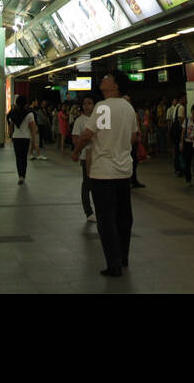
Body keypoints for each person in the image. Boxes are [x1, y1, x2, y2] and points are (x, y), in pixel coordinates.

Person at [71, 73, 138, 276]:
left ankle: (113, 263)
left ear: (115, 86)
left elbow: (88, 134)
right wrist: (119, 148)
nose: (103, 79)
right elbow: (134, 136)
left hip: (103, 173)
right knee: (124, 216)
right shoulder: (128, 107)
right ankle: (123, 257)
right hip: (124, 171)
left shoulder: (103, 107)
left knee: (106, 219)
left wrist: (76, 152)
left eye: (107, 77)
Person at [72, 95, 96, 223]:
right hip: (85, 156)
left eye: (90, 103)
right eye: (85, 103)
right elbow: (75, 139)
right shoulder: (79, 121)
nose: (87, 106)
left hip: (99, 156)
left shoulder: (100, 118)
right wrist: (85, 141)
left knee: (98, 184)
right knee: (87, 184)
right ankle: (88, 211)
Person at [8, 95, 37, 184]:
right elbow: (33, 128)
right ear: (25, 104)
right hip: (25, 138)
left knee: (18, 157)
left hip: (16, 138)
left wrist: (11, 135)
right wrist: (34, 140)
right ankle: (23, 176)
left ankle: (20, 176)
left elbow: (11, 126)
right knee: (24, 158)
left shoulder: (13, 113)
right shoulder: (30, 114)